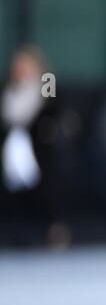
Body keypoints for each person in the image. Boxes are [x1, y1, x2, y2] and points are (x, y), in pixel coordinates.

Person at [1, 45, 69, 248]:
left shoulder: (46, 81)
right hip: (14, 146)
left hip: (40, 147)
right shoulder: (10, 86)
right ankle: (19, 233)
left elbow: (51, 107)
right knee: (15, 190)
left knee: (45, 190)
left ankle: (54, 231)